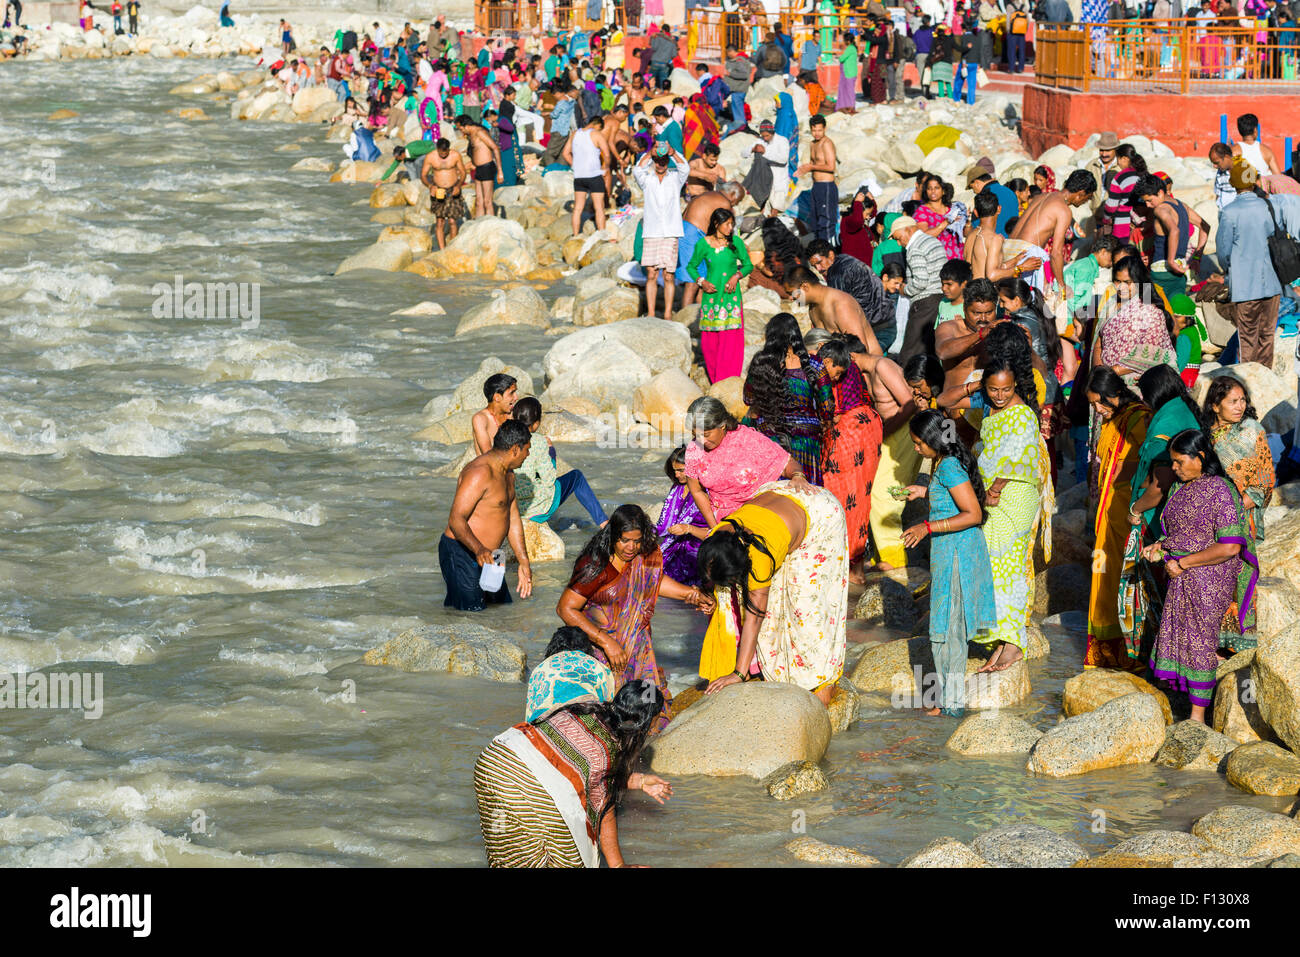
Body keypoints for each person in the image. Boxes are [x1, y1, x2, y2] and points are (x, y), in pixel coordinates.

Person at [474, 679, 671, 868]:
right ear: (643, 721)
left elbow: (578, 769)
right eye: (655, 719)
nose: (656, 726)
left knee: (508, 852)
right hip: (529, 781)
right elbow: (603, 809)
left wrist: (638, 780)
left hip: (497, 758)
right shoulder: (611, 747)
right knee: (569, 854)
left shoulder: (587, 707)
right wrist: (618, 864)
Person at [696, 480, 849, 706]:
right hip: (777, 500)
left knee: (806, 609)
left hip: (820, 515)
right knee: (737, 597)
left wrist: (738, 674)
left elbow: (755, 616)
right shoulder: (718, 538)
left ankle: (818, 680)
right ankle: (761, 667)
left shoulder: (758, 556)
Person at [557, 504, 708, 732]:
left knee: (649, 702)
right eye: (625, 540)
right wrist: (607, 642)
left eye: (637, 541)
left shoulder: (644, 557)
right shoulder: (596, 564)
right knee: (607, 713)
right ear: (613, 536)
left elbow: (655, 583)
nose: (631, 547)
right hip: (601, 652)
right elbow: (566, 609)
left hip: (640, 651)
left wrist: (691, 594)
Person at [1143, 430, 1256, 724]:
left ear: (1201, 458)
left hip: (1209, 577)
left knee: (1200, 643)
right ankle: (1187, 706)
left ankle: (1197, 718)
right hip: (1183, 573)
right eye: (1173, 462)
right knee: (1187, 639)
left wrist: (1184, 563)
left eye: (1180, 462)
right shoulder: (1183, 487)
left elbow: (1230, 546)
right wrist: (1162, 546)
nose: (1175, 468)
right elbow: (1184, 532)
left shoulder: (1220, 490)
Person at [901, 407, 994, 717]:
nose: (916, 448)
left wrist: (926, 526)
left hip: (958, 554)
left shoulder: (949, 466)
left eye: (918, 443)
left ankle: (952, 707)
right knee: (945, 626)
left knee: (948, 630)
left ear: (932, 440)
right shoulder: (942, 462)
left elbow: (973, 514)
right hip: (950, 550)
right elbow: (954, 498)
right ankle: (947, 701)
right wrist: (925, 492)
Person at [975, 351, 1052, 673]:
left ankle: (1013, 644)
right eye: (994, 389)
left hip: (1012, 495)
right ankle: (1001, 640)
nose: (1001, 395)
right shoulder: (989, 408)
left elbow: (1016, 458)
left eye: (1006, 389)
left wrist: (993, 490)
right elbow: (946, 399)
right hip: (994, 497)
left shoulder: (1022, 415)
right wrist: (970, 391)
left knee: (1009, 567)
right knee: (994, 565)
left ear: (1016, 385)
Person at [1083, 366, 1151, 670]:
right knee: (1103, 576)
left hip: (1128, 511)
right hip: (1107, 513)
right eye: (1093, 405)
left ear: (1115, 395)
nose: (1097, 410)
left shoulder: (1139, 417)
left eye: (1100, 403)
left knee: (1124, 579)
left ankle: (1129, 654)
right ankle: (1103, 651)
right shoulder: (1114, 419)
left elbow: (1146, 463)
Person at [441, 420, 533, 612]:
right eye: (527, 449)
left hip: (492, 556)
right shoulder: (480, 473)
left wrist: (523, 561)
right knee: (471, 616)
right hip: (462, 551)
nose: (528, 454)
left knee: (501, 610)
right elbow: (456, 519)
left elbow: (513, 517)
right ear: (515, 449)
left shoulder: (509, 474)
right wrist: (479, 549)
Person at [682, 396, 815, 528]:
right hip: (726, 521)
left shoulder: (748, 438)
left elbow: (785, 463)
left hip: (763, 509)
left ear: (722, 425)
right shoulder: (694, 450)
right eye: (696, 434)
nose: (701, 440)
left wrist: (797, 475)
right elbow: (697, 491)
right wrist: (714, 528)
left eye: (706, 435)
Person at [815, 338, 885, 581]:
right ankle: (856, 565)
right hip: (869, 428)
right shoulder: (851, 365)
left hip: (849, 432)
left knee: (841, 496)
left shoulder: (821, 369)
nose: (834, 378)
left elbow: (830, 411)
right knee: (860, 497)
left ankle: (845, 564)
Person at [743, 313, 835, 484]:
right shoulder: (814, 364)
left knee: (773, 489)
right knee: (806, 490)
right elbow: (827, 404)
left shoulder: (762, 362)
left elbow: (748, 399)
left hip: (771, 434)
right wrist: (826, 428)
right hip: (807, 438)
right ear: (796, 335)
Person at [1215, 158, 1284, 368]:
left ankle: (1249, 385)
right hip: (1272, 283)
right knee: (1266, 337)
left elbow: (1223, 251)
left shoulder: (1229, 212)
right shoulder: (1269, 206)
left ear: (1234, 185)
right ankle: (1266, 379)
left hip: (1245, 287)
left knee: (1247, 340)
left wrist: (1228, 270)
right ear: (1253, 182)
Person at [511, 397, 608, 528]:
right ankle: (603, 522)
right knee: (577, 477)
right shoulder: (538, 441)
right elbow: (549, 479)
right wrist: (551, 452)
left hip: (513, 507)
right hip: (536, 509)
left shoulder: (505, 438)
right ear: (536, 423)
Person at [687, 206, 753, 383]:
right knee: (711, 338)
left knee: (731, 337)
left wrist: (736, 276)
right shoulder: (703, 244)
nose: (730, 228)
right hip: (711, 296)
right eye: (727, 224)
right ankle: (715, 378)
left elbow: (748, 265)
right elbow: (691, 267)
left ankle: (730, 378)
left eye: (732, 224)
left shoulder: (735, 243)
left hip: (731, 296)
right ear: (716, 224)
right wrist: (702, 282)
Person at [1011, 170, 1097, 290]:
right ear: (1080, 194)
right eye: (1087, 198)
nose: (1085, 202)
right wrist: (1062, 286)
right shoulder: (1064, 210)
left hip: (1010, 249)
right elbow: (1056, 253)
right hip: (1026, 257)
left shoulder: (1041, 196)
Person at [635, 142, 690, 322]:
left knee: (668, 275)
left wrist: (673, 152)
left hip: (670, 231)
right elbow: (637, 170)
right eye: (657, 161)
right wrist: (650, 154)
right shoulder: (647, 180)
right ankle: (651, 313)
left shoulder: (675, 179)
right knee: (651, 273)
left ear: (668, 161)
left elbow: (685, 168)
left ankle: (667, 313)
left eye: (663, 161)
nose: (660, 164)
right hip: (651, 231)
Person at [524, 626, 617, 724]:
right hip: (590, 725)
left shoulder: (541, 668)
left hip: (546, 725)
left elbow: (530, 714)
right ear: (587, 646)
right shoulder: (598, 666)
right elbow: (608, 705)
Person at [783, 265, 882, 356]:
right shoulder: (813, 308)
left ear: (805, 287)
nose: (791, 298)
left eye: (792, 293)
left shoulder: (841, 305)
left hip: (866, 370)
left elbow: (860, 351)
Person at [806, 240, 892, 343]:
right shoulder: (844, 261)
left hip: (877, 328)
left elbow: (839, 309)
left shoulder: (837, 273)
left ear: (831, 255)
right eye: (814, 266)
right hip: (883, 321)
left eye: (819, 263)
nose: (818, 269)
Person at [891, 215, 947, 362]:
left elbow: (921, 282)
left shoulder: (914, 248)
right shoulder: (932, 241)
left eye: (899, 238)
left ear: (909, 230)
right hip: (940, 299)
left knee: (910, 353)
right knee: (929, 350)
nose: (898, 243)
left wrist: (904, 290)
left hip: (925, 302)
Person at [654, 446, 708, 586]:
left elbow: (717, 532)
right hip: (675, 546)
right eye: (674, 471)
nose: (677, 475)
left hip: (698, 551)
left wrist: (688, 528)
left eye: (681, 470)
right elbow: (663, 525)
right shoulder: (677, 488)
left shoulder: (708, 493)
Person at [562, 114, 614, 238]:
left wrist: (575, 165)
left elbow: (565, 153)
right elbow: (607, 154)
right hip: (594, 175)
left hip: (579, 176)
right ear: (598, 125)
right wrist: (605, 167)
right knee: (599, 208)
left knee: (578, 208)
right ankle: (601, 236)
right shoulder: (596, 134)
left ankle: (575, 235)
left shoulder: (574, 134)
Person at [421, 138, 469, 250]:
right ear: (437, 149)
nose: (443, 154)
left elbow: (462, 172)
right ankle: (442, 250)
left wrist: (458, 185)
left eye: (445, 152)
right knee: (440, 222)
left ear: (448, 149)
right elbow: (423, 175)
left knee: (453, 221)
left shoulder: (455, 155)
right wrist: (430, 186)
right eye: (441, 152)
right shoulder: (431, 157)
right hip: (438, 190)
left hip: (453, 189)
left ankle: (452, 248)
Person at [797, 115, 839, 241]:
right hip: (816, 186)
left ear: (825, 129)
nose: (816, 133)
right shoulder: (812, 144)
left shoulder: (827, 143)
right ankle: (818, 249)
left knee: (826, 221)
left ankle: (827, 251)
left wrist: (810, 167)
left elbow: (831, 167)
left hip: (826, 186)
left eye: (819, 130)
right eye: (814, 130)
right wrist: (804, 169)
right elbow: (812, 164)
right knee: (815, 220)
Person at [454, 114, 503, 219]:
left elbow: (495, 147)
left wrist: (500, 171)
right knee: (479, 201)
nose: (461, 132)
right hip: (479, 169)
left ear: (466, 126)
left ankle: (491, 226)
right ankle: (478, 225)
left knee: (487, 201)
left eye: (461, 129)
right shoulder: (471, 135)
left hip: (487, 167)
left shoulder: (480, 132)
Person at [741, 119, 792, 215]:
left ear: (772, 132)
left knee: (775, 208)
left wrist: (765, 152)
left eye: (767, 136)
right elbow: (743, 154)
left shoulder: (782, 141)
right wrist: (752, 149)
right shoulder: (760, 141)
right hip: (764, 181)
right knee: (764, 208)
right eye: (763, 136)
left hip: (778, 181)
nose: (765, 138)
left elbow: (783, 159)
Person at [472, 373, 518, 454]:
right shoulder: (481, 419)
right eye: (512, 393)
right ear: (497, 397)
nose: (516, 397)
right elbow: (489, 455)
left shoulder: (512, 413)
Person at [1230, 111, 1281, 176]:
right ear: (1255, 130)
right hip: (1262, 185)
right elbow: (1278, 176)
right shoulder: (1267, 151)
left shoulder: (1233, 151)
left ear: (1240, 131)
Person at [836, 29, 860, 113]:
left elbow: (842, 58)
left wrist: (840, 57)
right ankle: (847, 106)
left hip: (849, 73)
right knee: (847, 90)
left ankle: (851, 106)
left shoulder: (850, 48)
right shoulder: (852, 48)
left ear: (848, 41)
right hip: (849, 72)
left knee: (849, 91)